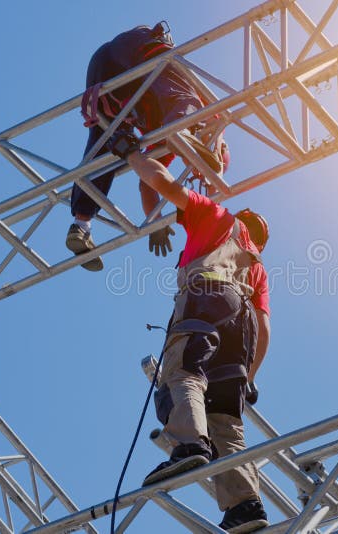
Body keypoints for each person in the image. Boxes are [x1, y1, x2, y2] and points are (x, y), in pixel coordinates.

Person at [110, 131, 270, 533]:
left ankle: (188, 444)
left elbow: (162, 181)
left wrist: (131, 153)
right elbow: (264, 328)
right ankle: (244, 505)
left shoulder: (217, 217)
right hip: (241, 325)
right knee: (225, 419)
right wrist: (249, 378)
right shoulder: (255, 265)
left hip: (205, 294)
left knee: (181, 372)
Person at [67, 22, 229, 271]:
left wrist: (156, 221)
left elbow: (148, 184)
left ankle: (81, 225)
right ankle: (181, 126)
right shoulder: (211, 121)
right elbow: (217, 135)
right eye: (198, 173)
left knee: (108, 148)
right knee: (181, 93)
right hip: (136, 49)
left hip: (109, 82)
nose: (195, 174)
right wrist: (214, 168)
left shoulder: (164, 147)